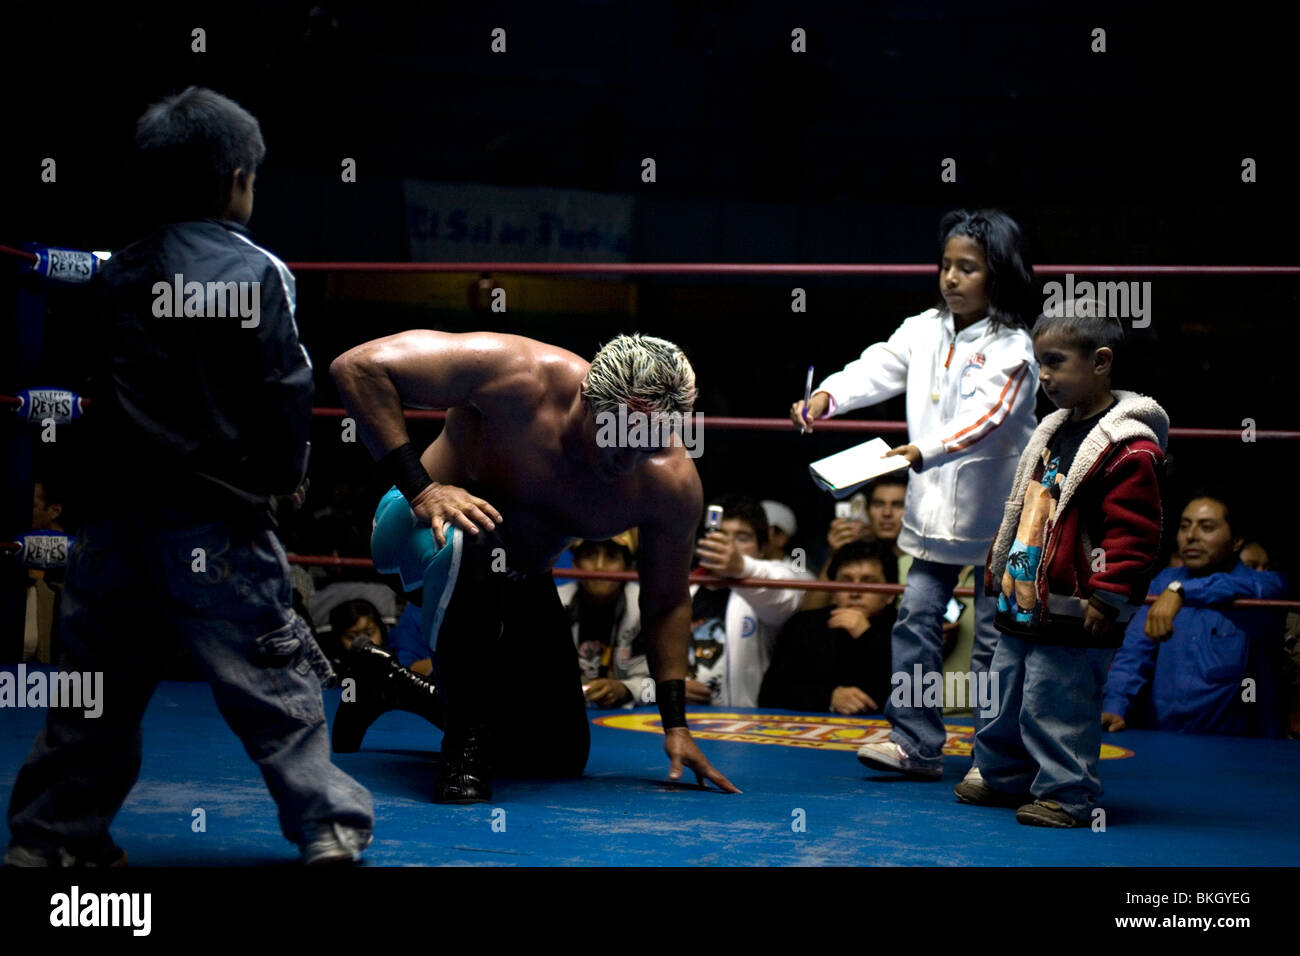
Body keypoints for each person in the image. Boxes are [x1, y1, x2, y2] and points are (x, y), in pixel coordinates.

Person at [5, 87, 373, 866]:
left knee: (88, 692)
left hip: (114, 524)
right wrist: (284, 480)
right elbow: (286, 388)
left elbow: (84, 401)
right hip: (220, 521)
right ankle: (328, 828)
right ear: (238, 177)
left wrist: (73, 504)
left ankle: (46, 843)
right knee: (274, 683)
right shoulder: (259, 272)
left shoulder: (115, 275)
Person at [331, 331, 739, 802]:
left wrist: (676, 726)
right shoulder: (515, 373)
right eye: (616, 438)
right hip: (418, 535)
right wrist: (423, 490)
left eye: (643, 446)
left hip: (521, 575)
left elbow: (666, 600)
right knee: (476, 537)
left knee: (556, 753)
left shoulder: (670, 483)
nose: (627, 462)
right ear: (587, 397)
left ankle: (387, 684)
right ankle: (465, 753)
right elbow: (357, 367)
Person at [791, 209, 1039, 777]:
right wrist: (828, 396)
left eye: (967, 268)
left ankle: (995, 757)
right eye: (946, 265)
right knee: (914, 619)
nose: (951, 278)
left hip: (1000, 517)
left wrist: (922, 450)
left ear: (997, 274)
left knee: (993, 641)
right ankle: (916, 744)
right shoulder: (922, 328)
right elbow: (877, 365)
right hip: (931, 515)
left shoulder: (1014, 347)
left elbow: (990, 418)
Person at [957, 304, 1167, 827]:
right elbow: (1024, 505)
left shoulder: (1129, 446)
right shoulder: (1051, 429)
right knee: (1005, 691)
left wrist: (1109, 594)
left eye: (1054, 362)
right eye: (1038, 363)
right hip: (1025, 594)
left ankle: (1069, 794)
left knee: (1059, 698)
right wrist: (999, 565)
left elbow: (1135, 531)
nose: (1044, 376)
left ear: (1100, 361)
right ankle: (1004, 777)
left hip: (1078, 604)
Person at [1101, 493, 1289, 737]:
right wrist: (1115, 705)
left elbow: (1256, 587)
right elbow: (1134, 652)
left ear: (1236, 541)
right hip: (1166, 740)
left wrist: (1181, 591)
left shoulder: (1261, 587)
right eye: (1184, 526)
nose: (1191, 536)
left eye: (1206, 527)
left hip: (1242, 749)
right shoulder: (1163, 583)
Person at [689, 495, 813, 706]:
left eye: (742, 538)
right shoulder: (687, 589)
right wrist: (673, 686)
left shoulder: (765, 585)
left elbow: (785, 590)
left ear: (763, 548)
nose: (728, 545)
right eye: (719, 534)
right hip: (685, 721)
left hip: (746, 725)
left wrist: (741, 567)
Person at [759, 540, 899, 714]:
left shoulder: (908, 630)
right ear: (832, 588)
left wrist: (866, 636)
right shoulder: (804, 625)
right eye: (846, 581)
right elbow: (770, 694)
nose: (855, 593)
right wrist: (828, 698)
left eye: (868, 582)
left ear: (890, 594)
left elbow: (915, 698)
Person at [557, 530, 654, 709]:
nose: (599, 566)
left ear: (628, 567)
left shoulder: (647, 608)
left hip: (626, 726)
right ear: (575, 564)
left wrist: (625, 689)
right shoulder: (553, 603)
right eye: (589, 555)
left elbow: (660, 686)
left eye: (611, 556)